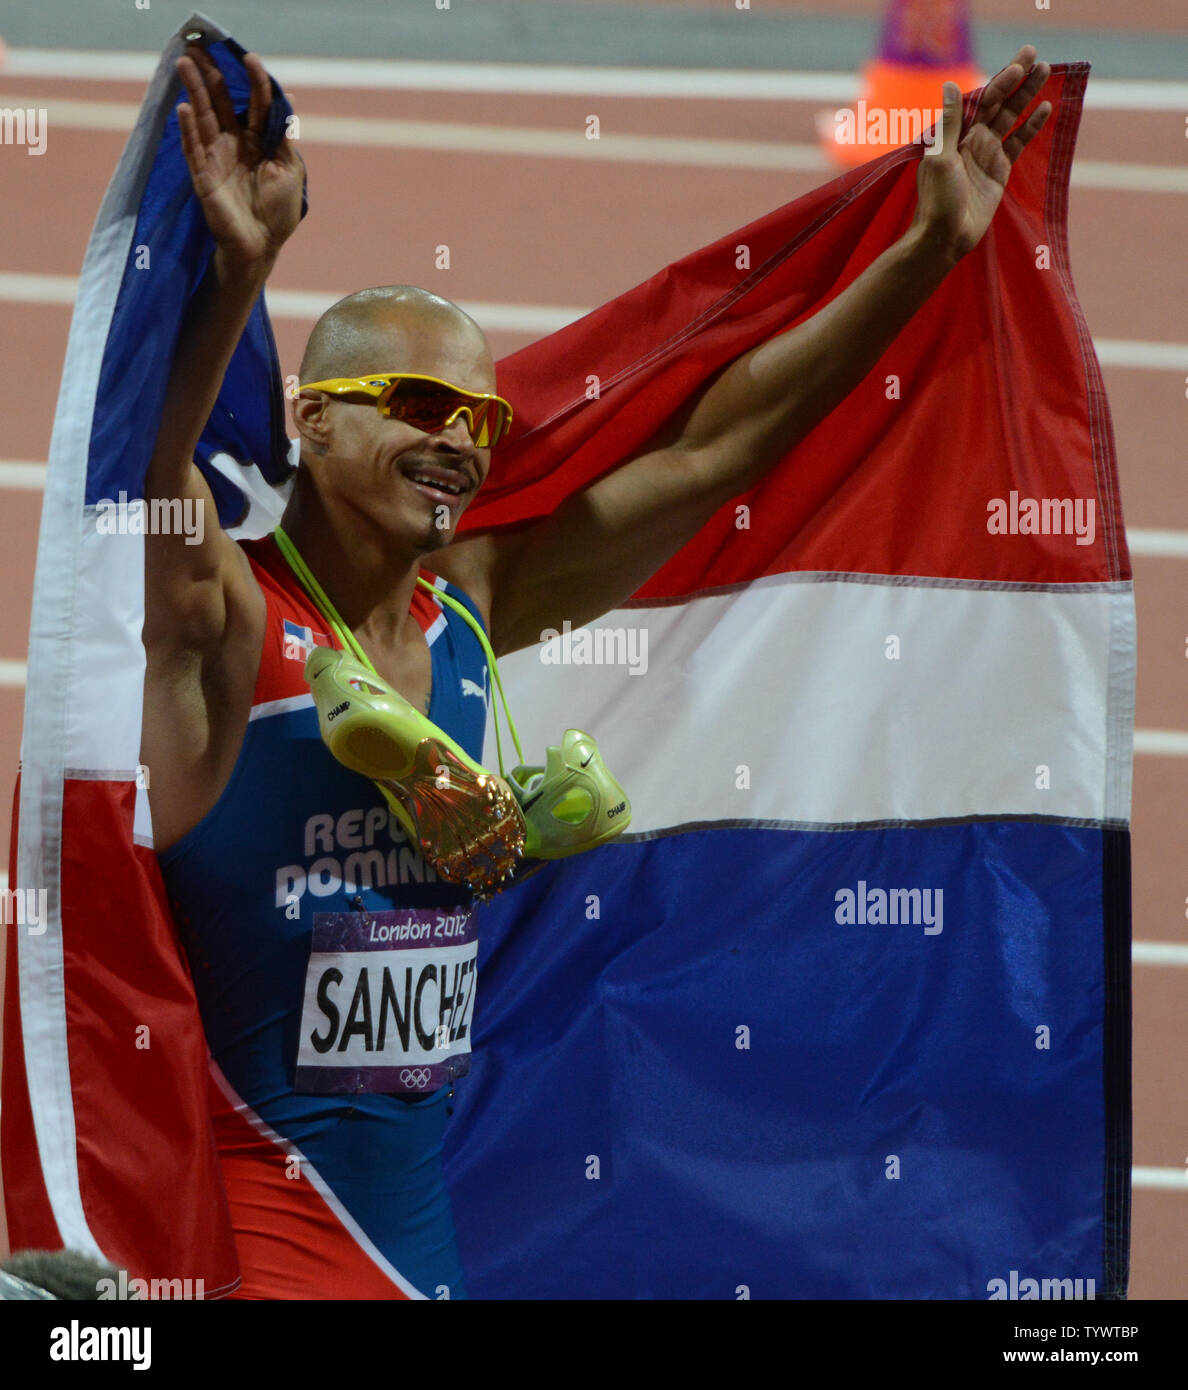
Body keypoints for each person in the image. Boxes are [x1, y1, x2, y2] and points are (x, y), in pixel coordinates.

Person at [143, 41, 1052, 1299]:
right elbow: (146, 488)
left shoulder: (472, 615)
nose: (456, 442)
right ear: (315, 416)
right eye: (417, 402)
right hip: (245, 1226)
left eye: (481, 422)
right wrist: (239, 277)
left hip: (415, 1237)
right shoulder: (232, 620)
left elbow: (719, 446)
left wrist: (925, 256)